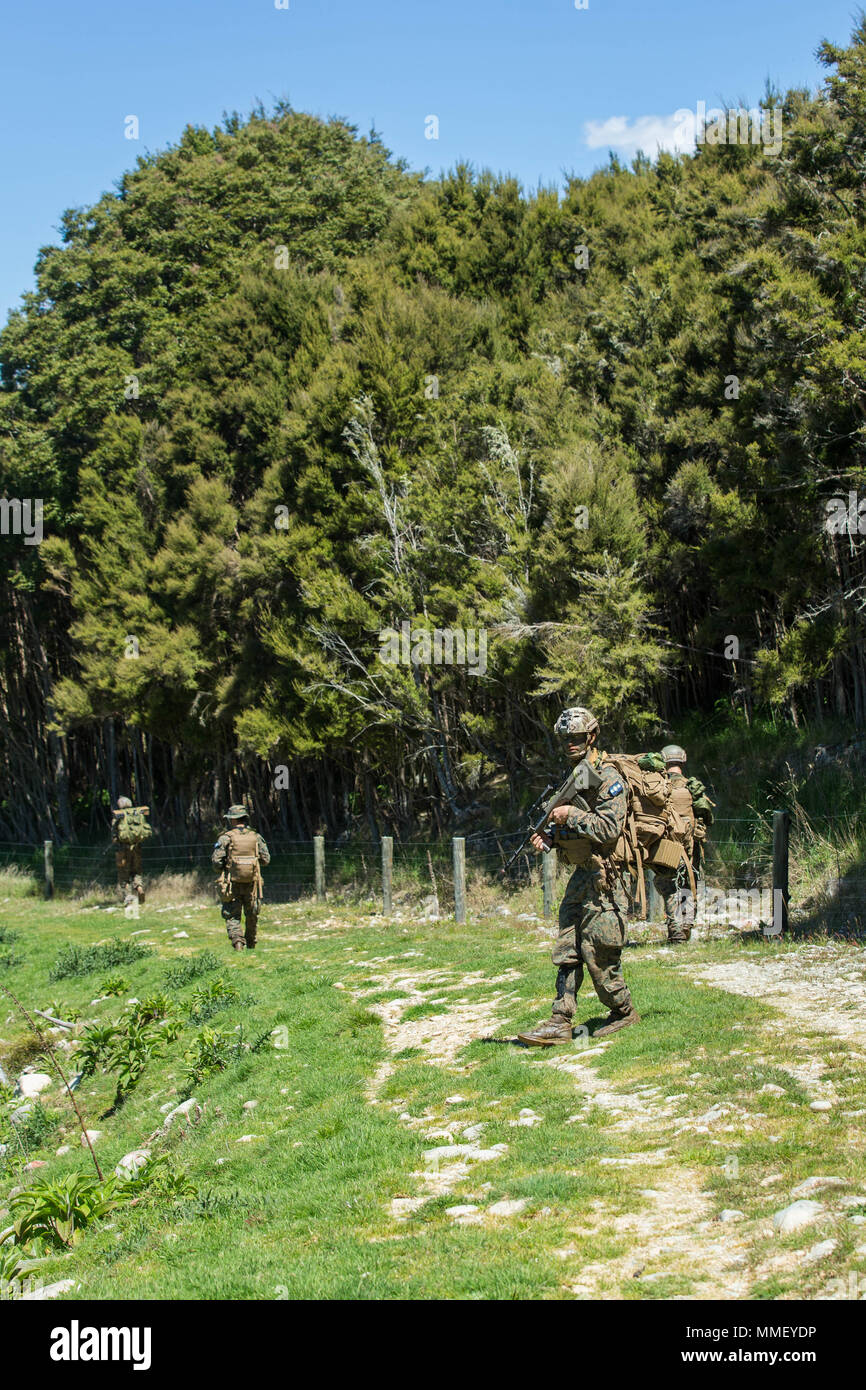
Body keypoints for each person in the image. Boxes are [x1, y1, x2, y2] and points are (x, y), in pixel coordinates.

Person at [517, 707, 640, 1046]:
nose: (570, 743)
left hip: (607, 876)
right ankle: (560, 1019)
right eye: (565, 739)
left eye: (576, 737)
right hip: (583, 875)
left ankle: (623, 1010)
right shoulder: (578, 776)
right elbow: (579, 829)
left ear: (591, 736)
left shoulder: (609, 777)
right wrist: (552, 839)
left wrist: (568, 814)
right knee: (568, 944)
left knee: (599, 951)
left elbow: (609, 828)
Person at [651, 745, 696, 943]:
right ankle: (686, 925)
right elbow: (705, 815)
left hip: (666, 845)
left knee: (667, 884)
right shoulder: (692, 787)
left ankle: (676, 931)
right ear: (683, 760)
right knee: (688, 882)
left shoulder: (658, 786)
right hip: (690, 845)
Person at [212, 804, 271, 951]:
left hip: (232, 883)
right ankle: (251, 942)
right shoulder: (256, 837)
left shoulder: (226, 838)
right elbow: (266, 859)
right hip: (253, 883)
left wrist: (224, 868)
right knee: (252, 915)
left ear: (232, 820)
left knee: (232, 915)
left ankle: (238, 941)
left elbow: (216, 861)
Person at [111, 795, 150, 906]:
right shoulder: (137, 814)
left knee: (124, 875)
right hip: (137, 847)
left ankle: (128, 899)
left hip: (123, 849)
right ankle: (139, 888)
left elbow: (114, 836)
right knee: (136, 871)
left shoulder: (119, 816)